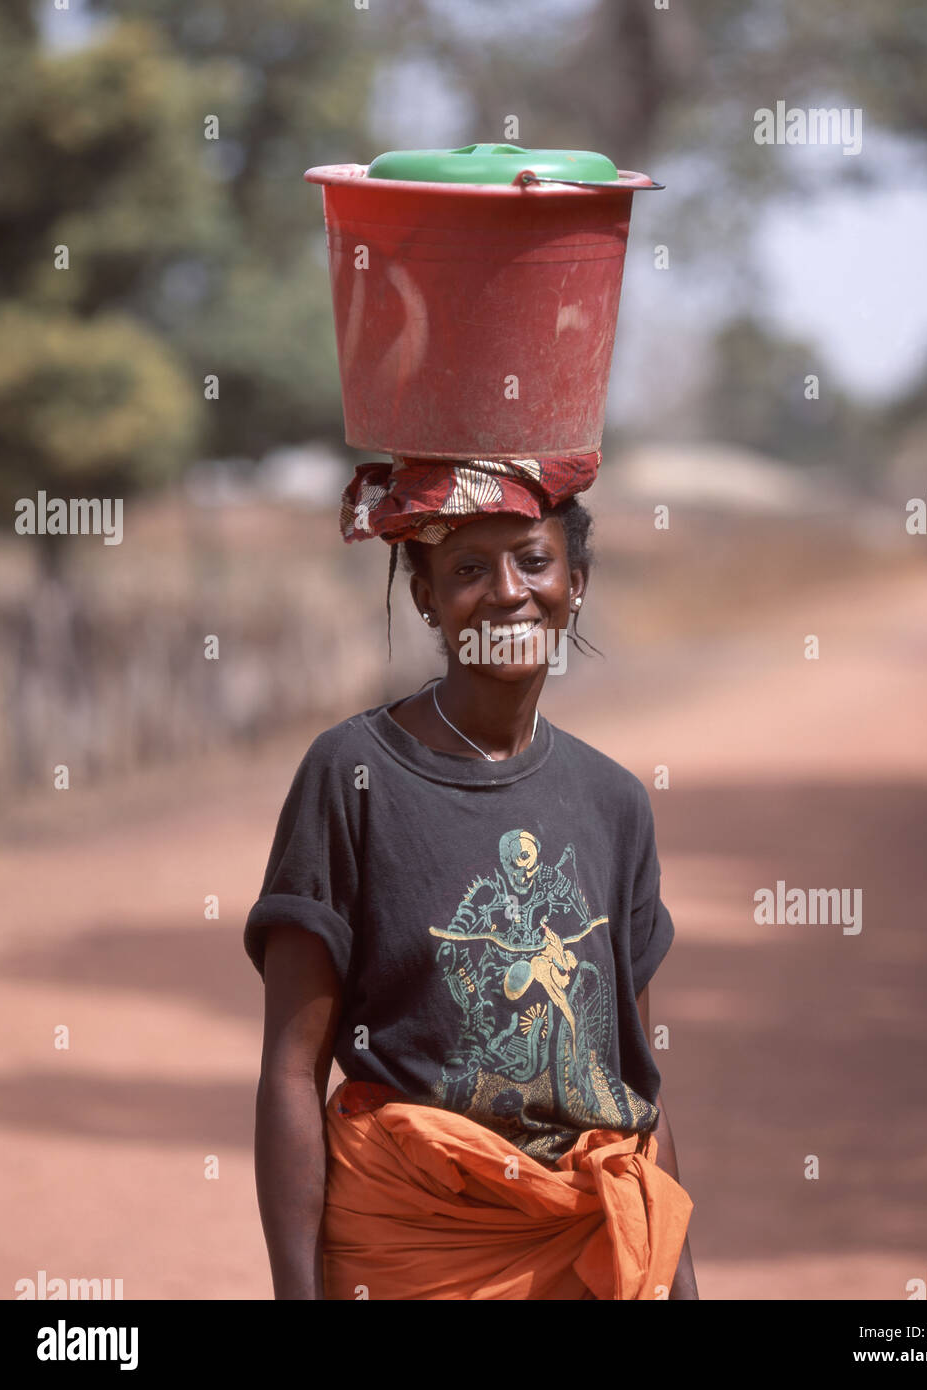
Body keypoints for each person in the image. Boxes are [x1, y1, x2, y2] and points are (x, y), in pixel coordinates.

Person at [244, 454, 697, 1300]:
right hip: (413, 1250)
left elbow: (633, 1080)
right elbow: (289, 1069)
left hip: (584, 1253)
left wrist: (672, 1277)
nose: (506, 591)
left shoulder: (613, 802)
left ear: (577, 580)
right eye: (464, 569)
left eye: (533, 559)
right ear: (423, 596)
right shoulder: (351, 776)